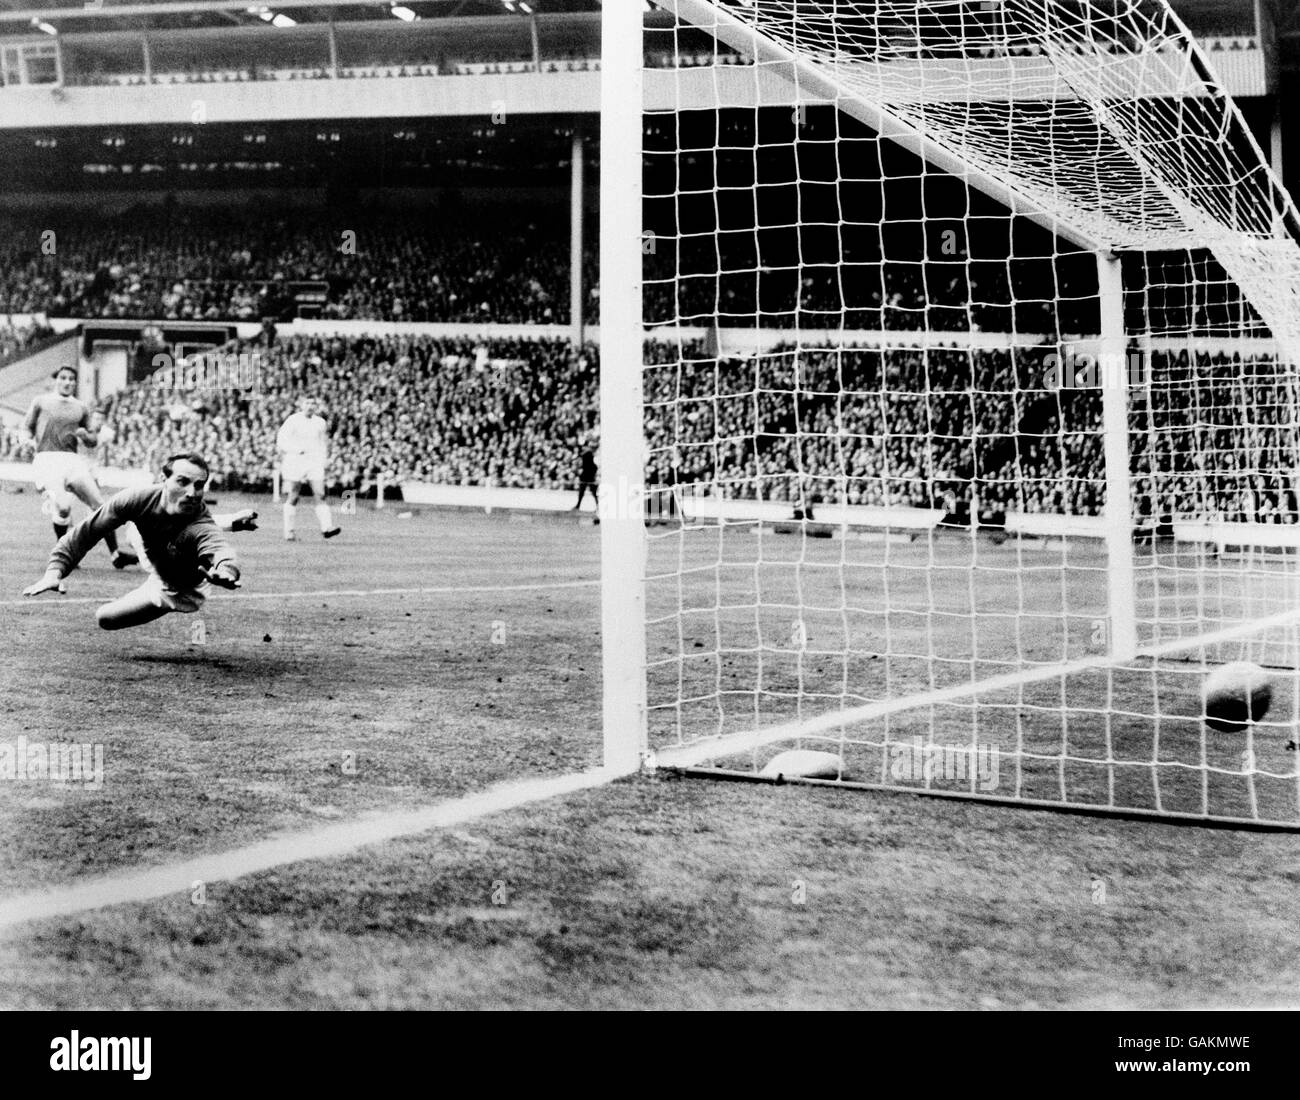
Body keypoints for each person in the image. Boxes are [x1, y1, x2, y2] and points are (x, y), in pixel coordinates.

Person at [22, 453, 243, 630]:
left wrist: (227, 570)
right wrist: (54, 572)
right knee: (133, 530)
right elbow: (86, 533)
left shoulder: (198, 525)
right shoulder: (136, 498)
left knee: (105, 619)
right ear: (163, 479)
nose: (192, 493)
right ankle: (227, 522)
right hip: (152, 546)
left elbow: (219, 549)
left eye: (199, 485)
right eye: (183, 482)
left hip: (177, 587)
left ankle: (227, 523)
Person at [23, 366, 137, 569]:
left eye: (72, 379)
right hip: (47, 459)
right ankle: (64, 553)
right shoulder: (41, 401)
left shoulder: (82, 407)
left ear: (75, 383)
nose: (68, 382)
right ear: (56, 380)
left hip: (72, 460)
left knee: (101, 507)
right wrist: (26, 442)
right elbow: (27, 427)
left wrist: (86, 436)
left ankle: (116, 555)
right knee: (64, 507)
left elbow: (92, 440)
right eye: (63, 378)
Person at [276, 396, 340, 541]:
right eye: (307, 403)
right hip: (295, 460)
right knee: (294, 495)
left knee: (320, 494)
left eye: (313, 403)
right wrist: (295, 450)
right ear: (302, 405)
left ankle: (327, 528)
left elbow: (322, 442)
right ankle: (289, 531)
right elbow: (281, 440)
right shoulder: (293, 420)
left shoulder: (320, 422)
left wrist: (324, 460)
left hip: (314, 461)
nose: (310, 406)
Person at [573, 441, 599, 512]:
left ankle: (598, 505)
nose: (583, 448)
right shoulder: (587, 453)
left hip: (588, 474)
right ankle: (578, 505)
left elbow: (591, 465)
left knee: (592, 491)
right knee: (584, 491)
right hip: (587, 474)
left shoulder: (588, 454)